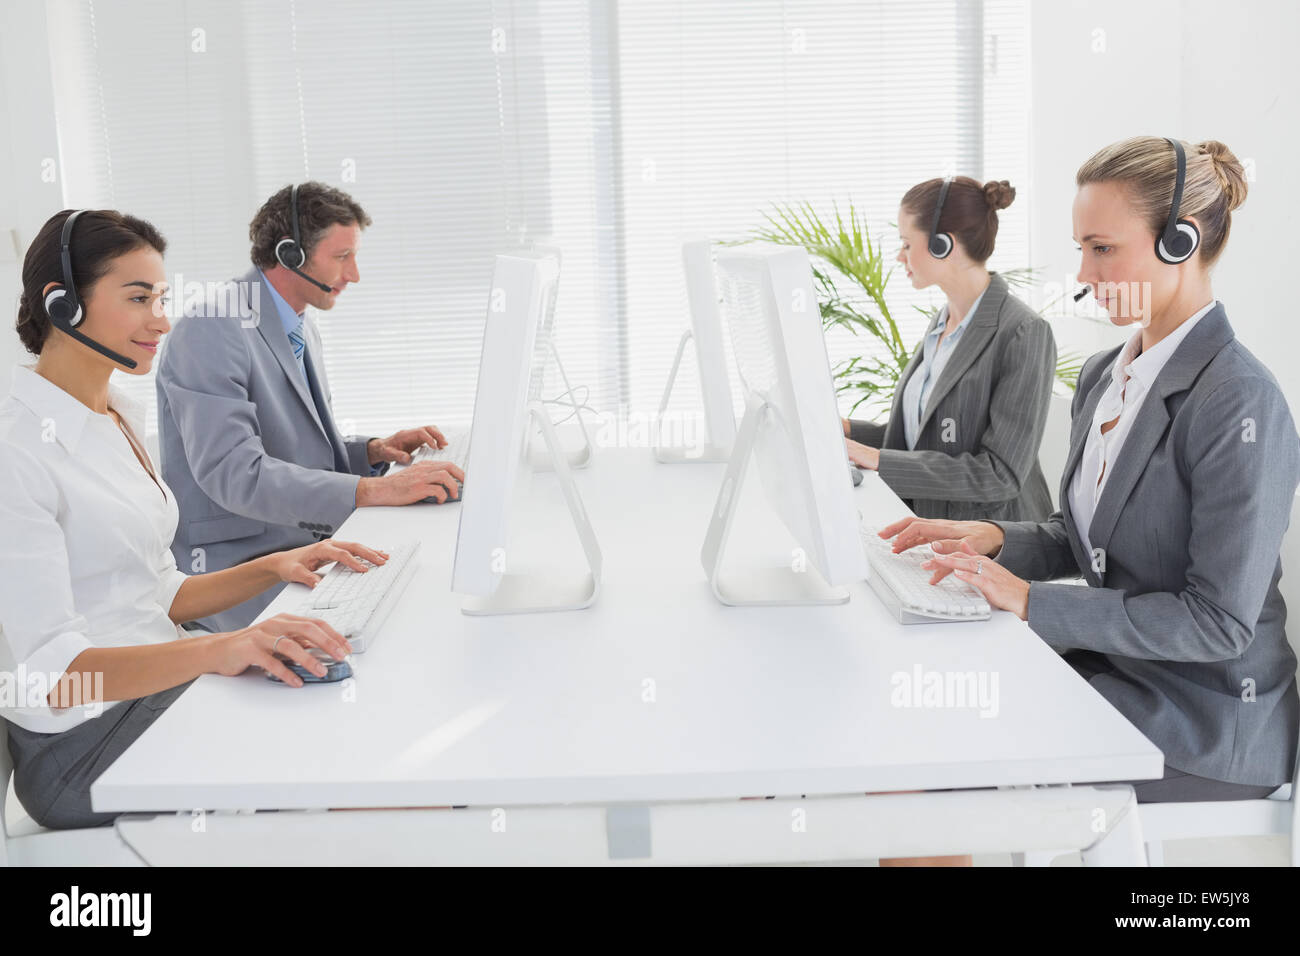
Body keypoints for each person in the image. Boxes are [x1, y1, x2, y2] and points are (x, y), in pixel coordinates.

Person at [883, 137, 1300, 803]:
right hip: (1112, 676)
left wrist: (1030, 601)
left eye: (1102, 248)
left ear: (1179, 241)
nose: (1083, 271)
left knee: (935, 763)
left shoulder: (1240, 401)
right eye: (1081, 247)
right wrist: (993, 540)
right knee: (919, 722)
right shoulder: (1107, 375)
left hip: (1206, 722)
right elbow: (1081, 540)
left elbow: (1217, 622)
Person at [1, 209, 385, 829]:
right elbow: (54, 675)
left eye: (161, 296)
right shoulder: (17, 455)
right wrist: (219, 650)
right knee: (324, 742)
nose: (162, 320)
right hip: (82, 748)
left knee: (333, 696)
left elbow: (155, 592)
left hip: (147, 689)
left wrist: (276, 566)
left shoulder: (115, 415)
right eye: (137, 298)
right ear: (63, 304)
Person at [156, 182, 464, 632]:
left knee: (425, 590)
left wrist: (373, 452)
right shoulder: (213, 328)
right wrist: (371, 492)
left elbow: (291, 447)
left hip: (299, 542)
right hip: (241, 567)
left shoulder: (295, 320)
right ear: (291, 255)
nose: (354, 274)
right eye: (342, 257)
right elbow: (234, 473)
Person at [844, 176, 1056, 522]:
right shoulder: (942, 325)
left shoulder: (1023, 331)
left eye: (907, 244)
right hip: (927, 527)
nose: (900, 256)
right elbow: (923, 441)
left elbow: (999, 474)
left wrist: (876, 459)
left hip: (992, 546)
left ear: (944, 244)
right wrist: (846, 430)